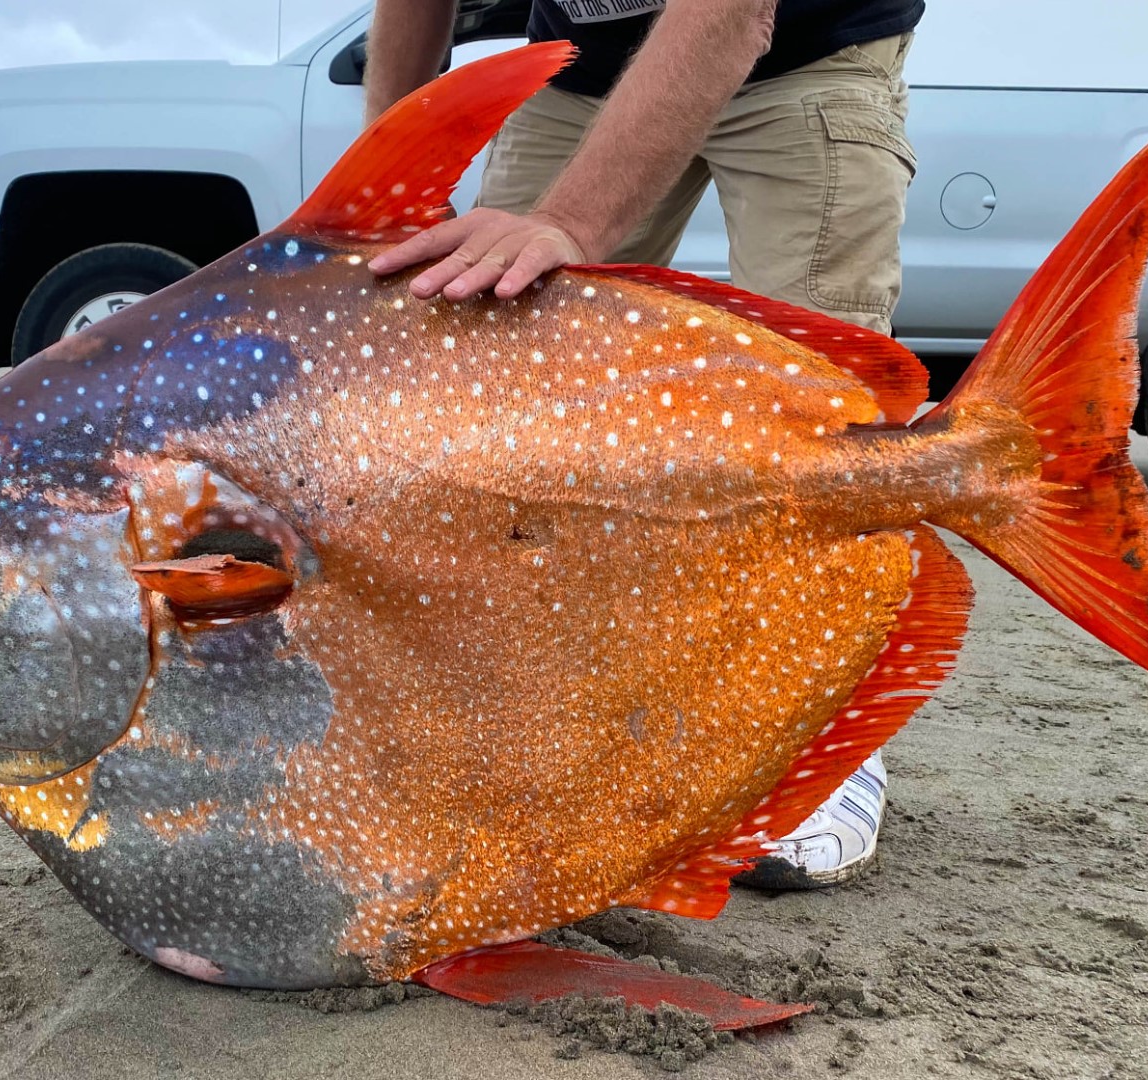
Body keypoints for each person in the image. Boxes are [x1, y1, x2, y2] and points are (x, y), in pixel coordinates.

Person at [363, 0, 923, 888]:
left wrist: (573, 226)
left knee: (821, 412)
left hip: (810, 48)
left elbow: (730, 15)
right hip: (587, 67)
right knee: (492, 384)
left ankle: (824, 742)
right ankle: (543, 728)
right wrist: (393, 185)